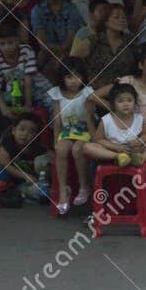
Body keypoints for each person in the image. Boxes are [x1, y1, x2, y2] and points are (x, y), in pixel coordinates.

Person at [46, 60, 100, 213]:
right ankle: (64, 191)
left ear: (83, 77)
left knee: (78, 149)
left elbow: (91, 117)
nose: (73, 81)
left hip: (85, 131)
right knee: (61, 149)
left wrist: (94, 139)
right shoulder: (57, 93)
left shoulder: (87, 92)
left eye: (77, 76)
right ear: (62, 78)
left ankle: (84, 186)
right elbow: (57, 120)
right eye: (69, 77)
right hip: (67, 131)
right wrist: (56, 141)